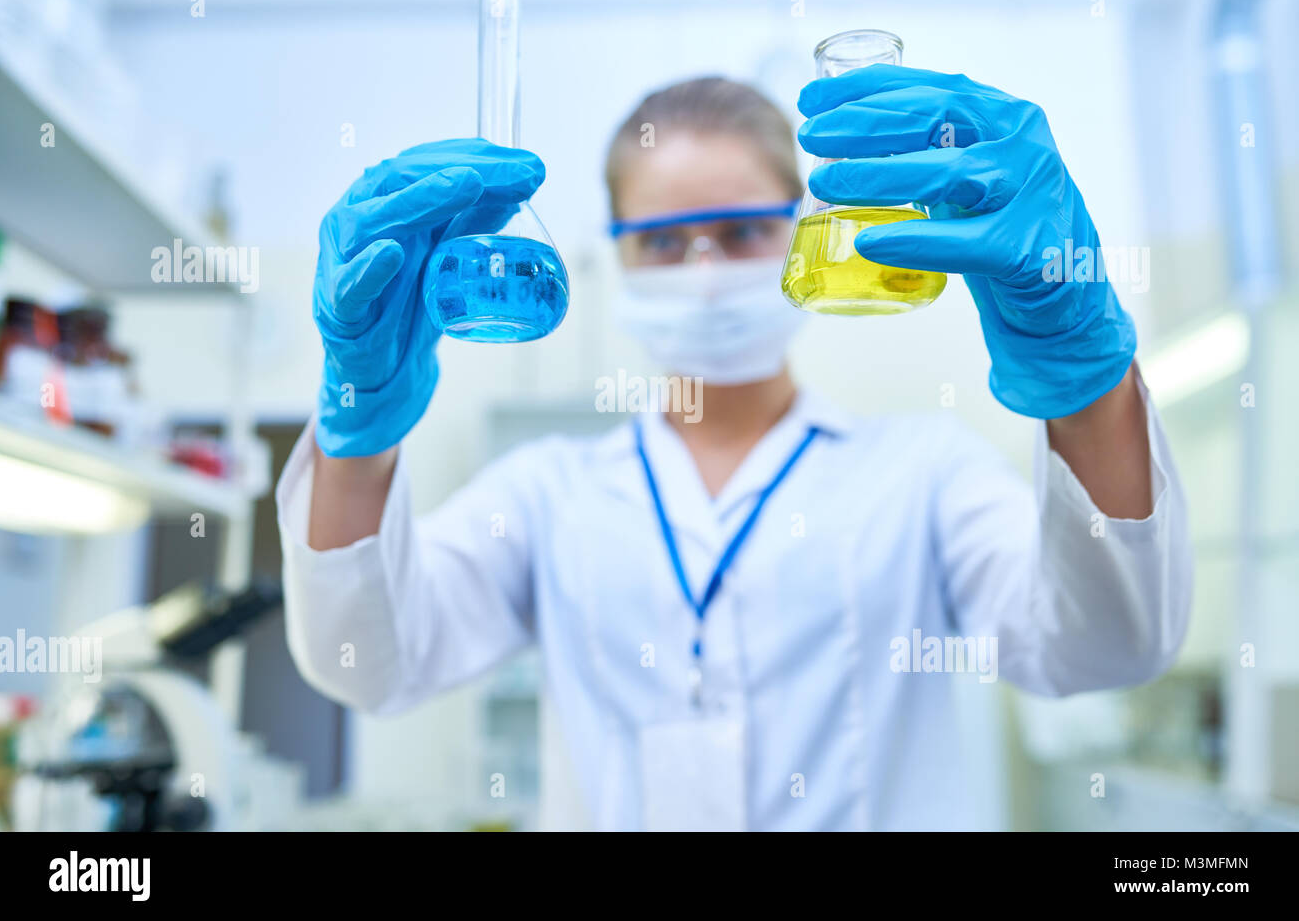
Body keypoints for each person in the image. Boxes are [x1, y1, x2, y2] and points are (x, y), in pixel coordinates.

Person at [277, 68, 1191, 830]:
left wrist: (1085, 376)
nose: (706, 271)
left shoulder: (924, 473)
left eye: (745, 231)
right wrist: (361, 421)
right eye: (666, 240)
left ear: (803, 232)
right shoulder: (549, 491)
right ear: (619, 259)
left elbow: (1105, 649)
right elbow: (369, 660)